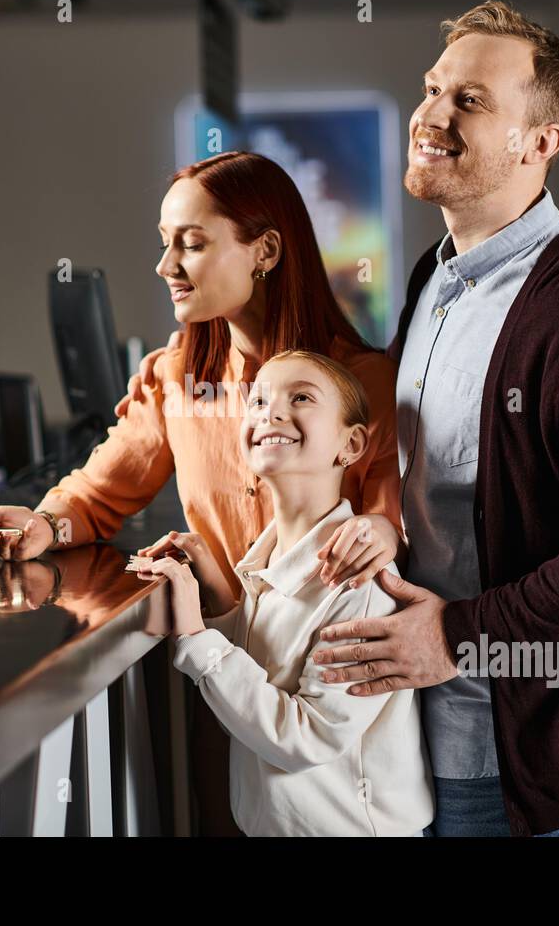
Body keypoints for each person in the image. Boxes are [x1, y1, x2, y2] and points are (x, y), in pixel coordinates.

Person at [308, 0, 559, 837]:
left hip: (533, 765)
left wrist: (458, 634)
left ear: (541, 142)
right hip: (429, 744)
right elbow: (439, 484)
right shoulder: (436, 277)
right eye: (433, 88)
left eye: (471, 101)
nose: (432, 115)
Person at [0, 151, 406, 835]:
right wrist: (46, 522)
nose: (166, 266)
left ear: (265, 252)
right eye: (165, 244)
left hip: (332, 693)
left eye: (191, 244)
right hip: (222, 666)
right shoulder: (177, 375)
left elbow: (386, 519)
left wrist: (385, 531)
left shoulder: (362, 382)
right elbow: (100, 492)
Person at [134, 350, 433, 836]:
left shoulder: (361, 585)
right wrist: (212, 587)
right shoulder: (267, 559)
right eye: (257, 401)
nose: (269, 412)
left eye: (300, 398)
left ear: (351, 444)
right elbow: (272, 656)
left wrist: (193, 632)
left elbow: (305, 738)